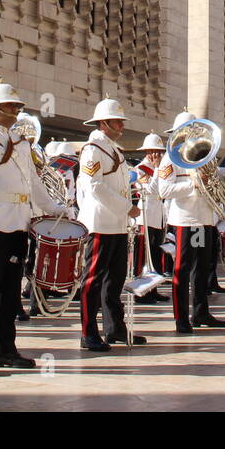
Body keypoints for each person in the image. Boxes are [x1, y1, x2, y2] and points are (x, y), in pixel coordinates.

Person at [0, 80, 62, 376]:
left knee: (9, 292)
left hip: (18, 222)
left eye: (18, 105)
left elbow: (33, 182)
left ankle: (4, 348)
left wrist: (53, 208)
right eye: (12, 105)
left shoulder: (20, 142)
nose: (17, 110)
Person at [76, 98, 143, 351]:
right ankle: (88, 332)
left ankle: (115, 329)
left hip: (116, 223)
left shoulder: (114, 150)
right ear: (104, 123)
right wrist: (127, 207)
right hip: (99, 223)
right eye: (117, 121)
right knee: (92, 280)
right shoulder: (93, 149)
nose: (122, 125)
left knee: (114, 280)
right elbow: (95, 187)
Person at [156, 110, 225, 331]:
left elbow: (216, 181)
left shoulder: (204, 154)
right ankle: (181, 318)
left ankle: (200, 313)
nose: (192, 135)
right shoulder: (171, 158)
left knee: (202, 269)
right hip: (185, 221)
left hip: (203, 220)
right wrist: (193, 185)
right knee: (182, 269)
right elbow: (164, 190)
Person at [131, 133, 168, 304]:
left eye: (159, 151)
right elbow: (151, 190)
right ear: (147, 152)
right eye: (153, 151)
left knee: (156, 254)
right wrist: (158, 169)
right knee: (144, 257)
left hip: (159, 216)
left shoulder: (160, 167)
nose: (157, 155)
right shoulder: (140, 169)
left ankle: (153, 289)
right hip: (146, 215)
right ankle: (142, 292)